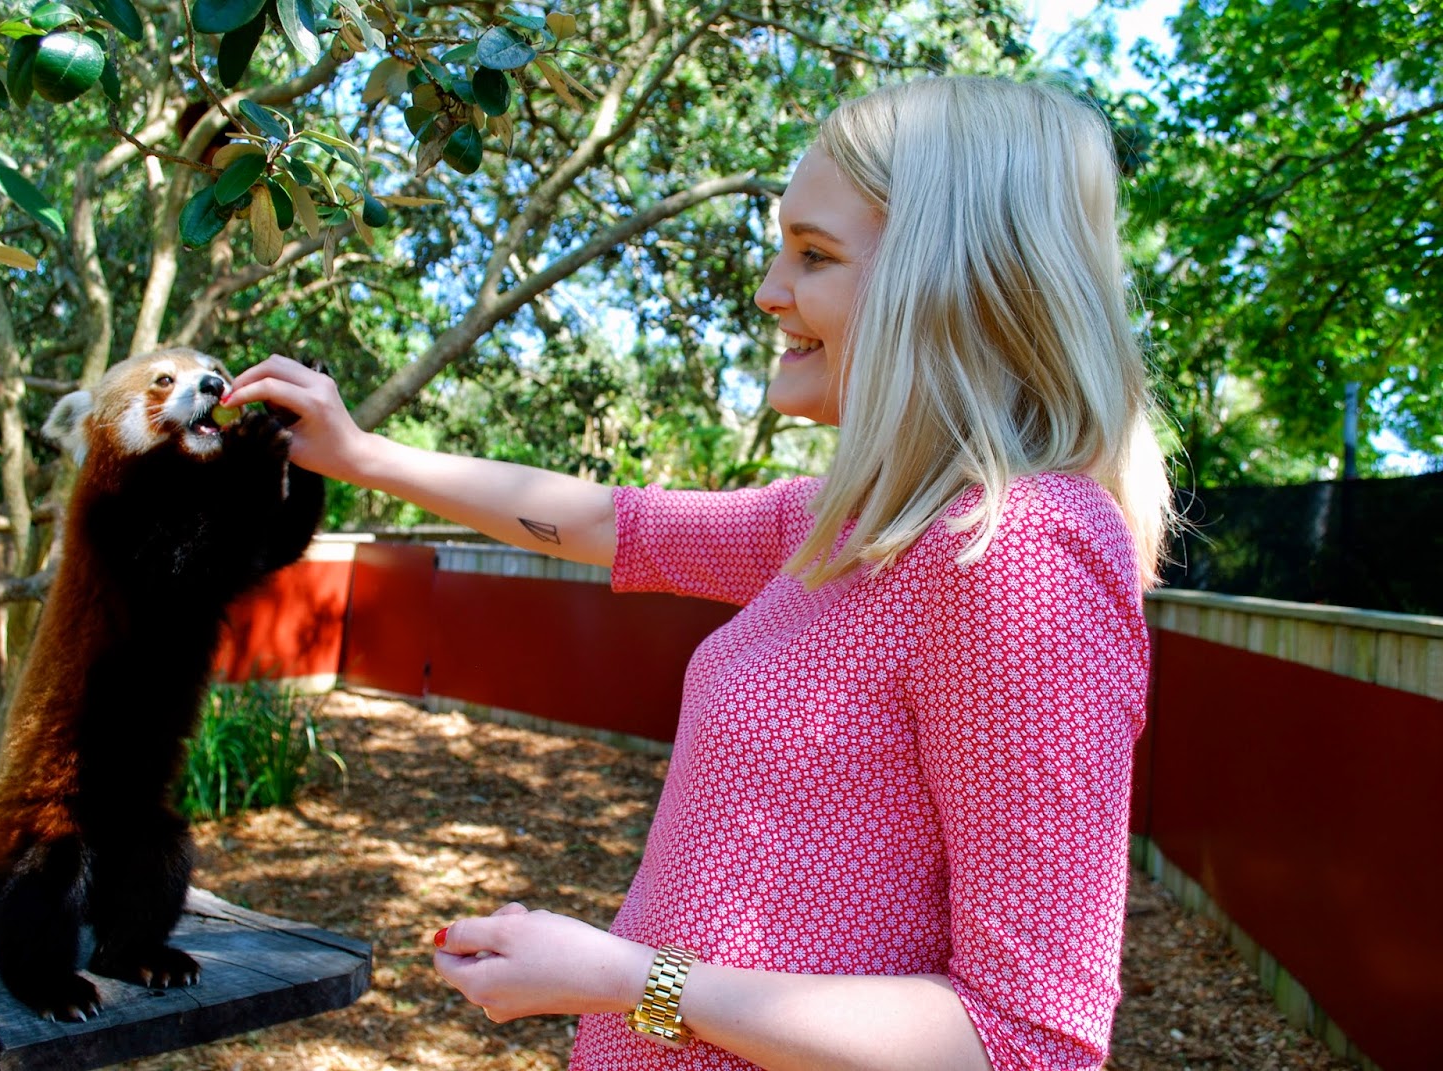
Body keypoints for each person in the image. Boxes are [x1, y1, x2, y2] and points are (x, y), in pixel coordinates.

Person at [224, 73, 1173, 1071]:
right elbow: (608, 521)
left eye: (813, 255)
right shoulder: (856, 524)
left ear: (951, 280)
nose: (769, 289)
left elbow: (1028, 1041)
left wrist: (627, 980)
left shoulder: (1020, 552)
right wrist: (362, 455)